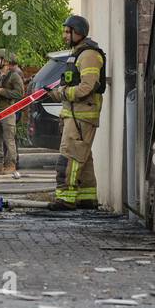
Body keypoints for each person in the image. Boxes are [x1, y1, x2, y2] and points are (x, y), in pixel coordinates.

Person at [48, 14, 106, 210]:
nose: (64, 35)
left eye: (67, 32)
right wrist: (55, 93)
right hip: (75, 114)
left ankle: (65, 198)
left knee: (70, 157)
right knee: (84, 158)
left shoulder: (89, 55)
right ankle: (87, 198)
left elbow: (86, 87)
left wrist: (62, 92)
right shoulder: (79, 53)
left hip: (82, 115)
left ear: (78, 32)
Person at [0, 52, 26, 178]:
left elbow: (19, 94)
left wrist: (3, 91)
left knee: (9, 140)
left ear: (5, 61)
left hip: (7, 112)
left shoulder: (14, 76)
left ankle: (11, 165)